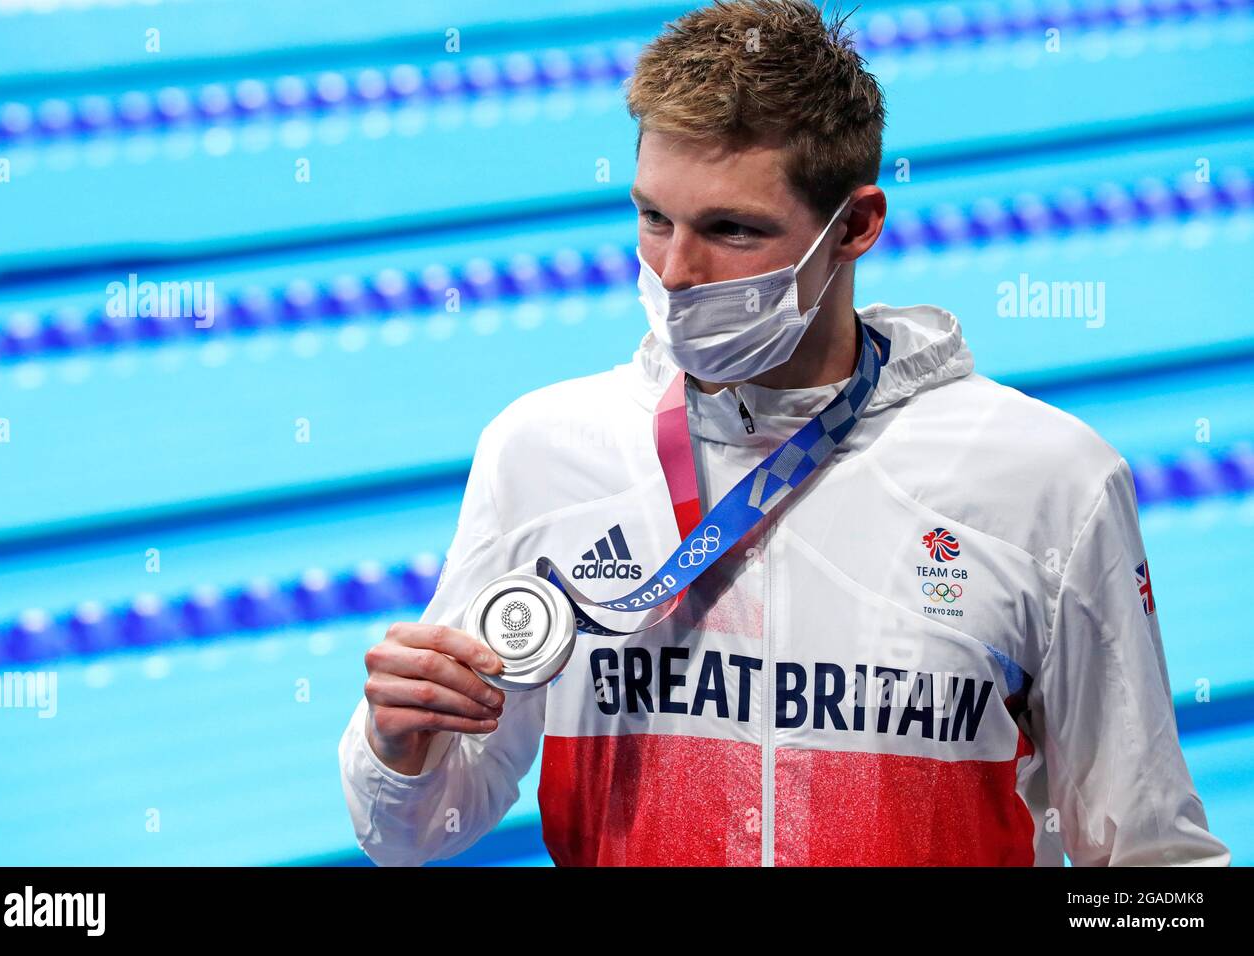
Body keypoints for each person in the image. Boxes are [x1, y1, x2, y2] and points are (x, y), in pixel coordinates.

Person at [337, 0, 1230, 866]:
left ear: (855, 226)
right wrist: (398, 747)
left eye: (731, 229)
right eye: (654, 217)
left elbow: (1154, 865)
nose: (676, 272)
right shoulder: (542, 452)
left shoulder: (1044, 479)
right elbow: (412, 835)